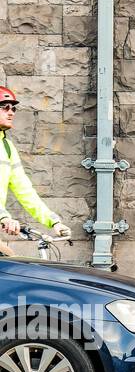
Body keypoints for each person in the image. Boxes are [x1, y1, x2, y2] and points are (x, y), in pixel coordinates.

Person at [0, 86, 72, 255]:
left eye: (14, 108)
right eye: (5, 107)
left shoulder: (7, 148)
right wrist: (3, 217)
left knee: (14, 266)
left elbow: (25, 191)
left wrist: (53, 222)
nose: (11, 113)